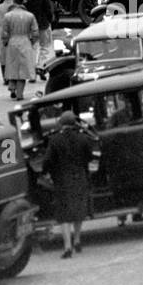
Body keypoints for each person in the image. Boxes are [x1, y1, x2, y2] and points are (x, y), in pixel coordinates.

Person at [43, 111, 97, 259]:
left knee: (64, 214)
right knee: (79, 210)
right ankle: (77, 240)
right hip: (80, 178)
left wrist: (45, 171)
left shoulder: (55, 140)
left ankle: (67, 246)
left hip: (62, 180)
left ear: (61, 124)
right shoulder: (83, 138)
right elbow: (90, 156)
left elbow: (47, 160)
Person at [0, 0, 38, 101]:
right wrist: (32, 42)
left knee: (12, 66)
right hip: (25, 41)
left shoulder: (8, 16)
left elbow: (4, 32)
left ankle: (12, 87)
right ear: (23, 1)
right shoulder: (30, 15)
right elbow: (35, 32)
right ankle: (20, 94)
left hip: (12, 41)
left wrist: (5, 42)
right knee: (23, 70)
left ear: (14, 1)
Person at [21, 0, 55, 71]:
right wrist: (50, 19)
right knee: (44, 46)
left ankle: (32, 70)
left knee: (32, 47)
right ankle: (40, 66)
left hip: (29, 26)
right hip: (43, 24)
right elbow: (48, 9)